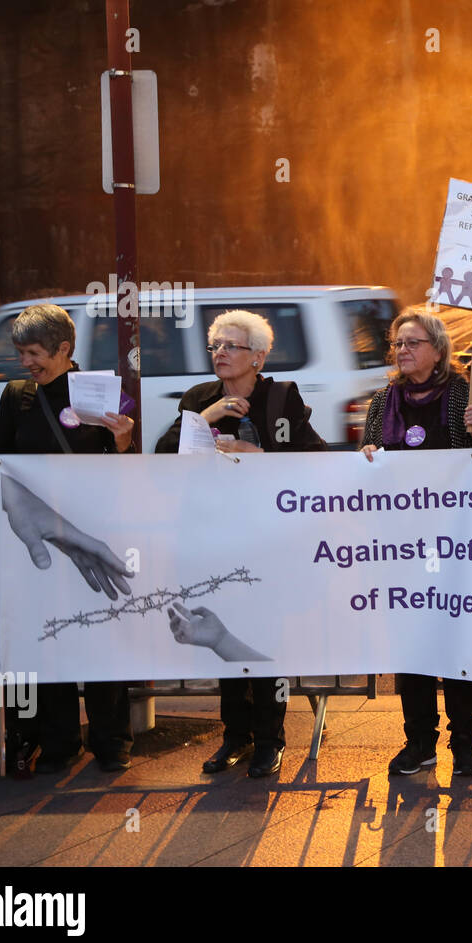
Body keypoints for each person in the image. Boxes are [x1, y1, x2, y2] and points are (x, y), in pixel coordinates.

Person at [0, 303, 137, 773]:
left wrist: (123, 442)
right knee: (49, 638)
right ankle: (59, 743)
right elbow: (5, 471)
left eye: (34, 353)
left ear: (64, 349)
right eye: (21, 354)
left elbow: (129, 473)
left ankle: (111, 743)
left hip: (93, 538)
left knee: (99, 639)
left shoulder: (102, 392)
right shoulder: (16, 396)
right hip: (39, 547)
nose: (26, 363)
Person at [155, 309, 328, 778]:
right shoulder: (199, 398)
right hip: (212, 536)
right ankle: (235, 735)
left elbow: (314, 458)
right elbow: (163, 456)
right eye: (215, 346)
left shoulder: (281, 398)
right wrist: (205, 418)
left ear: (258, 356)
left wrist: (260, 456)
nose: (220, 354)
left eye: (231, 346)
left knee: (266, 638)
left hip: (267, 539)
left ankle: (270, 739)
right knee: (223, 634)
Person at [359, 309, 472, 777]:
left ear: (439, 350)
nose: (402, 350)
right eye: (398, 344)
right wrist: (366, 455)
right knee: (413, 647)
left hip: (457, 545)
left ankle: (463, 743)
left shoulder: (464, 395)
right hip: (403, 549)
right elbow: (367, 462)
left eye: (413, 342)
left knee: (458, 643)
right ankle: (419, 741)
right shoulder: (383, 401)